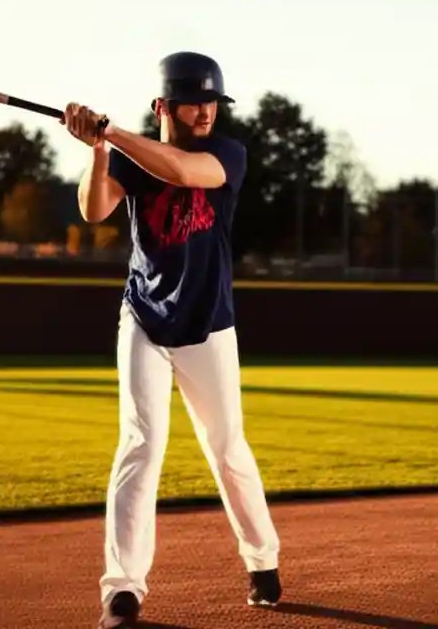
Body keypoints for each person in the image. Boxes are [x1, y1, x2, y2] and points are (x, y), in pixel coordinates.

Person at [63, 51, 282, 629]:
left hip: (208, 324)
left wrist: (117, 133)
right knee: (140, 444)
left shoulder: (226, 155)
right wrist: (98, 149)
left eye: (212, 101)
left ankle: (262, 559)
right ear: (165, 106)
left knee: (227, 448)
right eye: (193, 101)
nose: (206, 111)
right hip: (145, 318)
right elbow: (92, 209)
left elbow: (184, 172)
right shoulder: (132, 157)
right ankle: (122, 591)